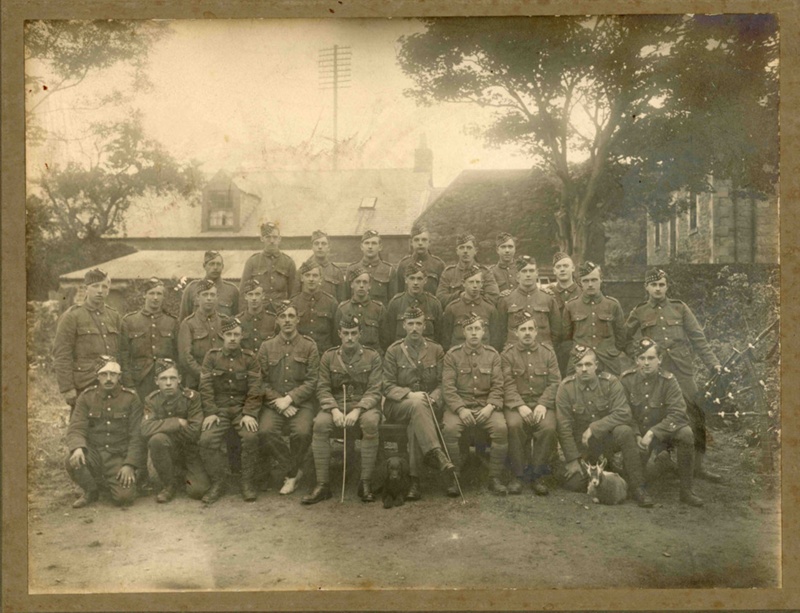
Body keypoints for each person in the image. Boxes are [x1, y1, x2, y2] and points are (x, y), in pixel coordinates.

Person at [624, 268, 724, 483]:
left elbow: (698, 337)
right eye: (654, 285)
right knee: (657, 413)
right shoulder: (639, 312)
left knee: (696, 414)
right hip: (658, 373)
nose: (658, 289)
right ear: (646, 287)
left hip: (681, 369)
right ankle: (664, 459)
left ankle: (697, 466)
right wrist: (640, 357)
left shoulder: (680, 308)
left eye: (661, 284)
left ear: (667, 286)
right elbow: (624, 338)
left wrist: (713, 363)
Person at [555, 345, 653, 507]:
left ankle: (638, 487)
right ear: (574, 368)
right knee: (574, 484)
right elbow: (563, 425)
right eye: (579, 365)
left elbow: (624, 413)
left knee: (625, 431)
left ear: (596, 365)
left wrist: (594, 427)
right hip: (584, 447)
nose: (584, 369)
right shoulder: (566, 388)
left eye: (588, 364)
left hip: (607, 441)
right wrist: (573, 459)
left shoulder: (610, 382)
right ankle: (608, 472)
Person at [302, 316, 383, 504]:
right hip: (336, 405)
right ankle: (323, 485)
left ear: (360, 334)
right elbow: (322, 388)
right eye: (346, 333)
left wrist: (357, 410)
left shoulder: (372, 356)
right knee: (320, 424)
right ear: (339, 334)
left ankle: (366, 482)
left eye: (354, 333)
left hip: (363, 405)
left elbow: (374, 389)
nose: (350, 338)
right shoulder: (329, 356)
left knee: (371, 423)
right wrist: (334, 410)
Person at [620, 338, 704, 506]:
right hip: (638, 434)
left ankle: (686, 491)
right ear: (636, 360)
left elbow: (678, 413)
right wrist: (636, 434)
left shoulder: (669, 380)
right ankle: (640, 489)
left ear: (660, 359)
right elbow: (623, 412)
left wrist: (653, 433)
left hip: (663, 433)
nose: (646, 363)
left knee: (686, 433)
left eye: (651, 358)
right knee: (636, 476)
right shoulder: (626, 380)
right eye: (642, 358)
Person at [383, 307, 455, 500]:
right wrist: (410, 395)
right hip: (398, 405)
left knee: (417, 419)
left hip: (427, 404)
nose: (414, 328)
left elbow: (442, 382)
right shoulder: (394, 350)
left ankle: (415, 480)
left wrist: (433, 398)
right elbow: (387, 386)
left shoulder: (436, 349)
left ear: (425, 326)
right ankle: (436, 454)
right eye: (410, 324)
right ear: (404, 326)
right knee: (417, 405)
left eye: (418, 324)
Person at [256, 301, 320, 496]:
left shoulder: (309, 346)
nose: (287, 320)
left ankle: (290, 475)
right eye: (283, 317)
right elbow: (260, 381)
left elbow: (313, 380)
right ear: (277, 320)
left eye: (291, 316)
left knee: (301, 432)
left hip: (302, 403)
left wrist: (291, 398)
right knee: (265, 431)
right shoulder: (266, 347)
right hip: (274, 404)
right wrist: (280, 403)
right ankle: (293, 471)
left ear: (298, 319)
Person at [441, 312, 508, 496]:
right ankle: (454, 477)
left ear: (483, 331)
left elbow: (498, 385)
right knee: (450, 430)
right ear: (463, 332)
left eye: (477, 328)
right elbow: (448, 388)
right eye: (469, 329)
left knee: (501, 428)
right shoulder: (452, 355)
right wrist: (461, 410)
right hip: (459, 407)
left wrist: (490, 407)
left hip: (486, 406)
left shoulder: (493, 355)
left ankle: (494, 477)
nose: (473, 333)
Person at [197, 317, 263, 503]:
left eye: (236, 334)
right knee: (206, 439)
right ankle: (219, 481)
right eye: (229, 334)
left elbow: (255, 388)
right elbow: (206, 387)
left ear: (242, 336)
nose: (232, 338)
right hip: (219, 410)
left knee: (251, 436)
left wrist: (249, 413)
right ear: (221, 336)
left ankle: (246, 482)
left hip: (242, 410)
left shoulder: (250, 358)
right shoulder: (211, 357)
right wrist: (210, 412)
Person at [64, 357, 144, 508]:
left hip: (118, 455)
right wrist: (77, 447)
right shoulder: (86, 396)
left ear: (119, 376)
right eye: (104, 374)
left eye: (113, 374)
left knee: (124, 498)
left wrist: (130, 464)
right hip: (94, 453)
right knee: (72, 460)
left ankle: (108, 483)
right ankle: (90, 491)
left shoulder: (131, 398)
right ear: (97, 376)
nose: (108, 379)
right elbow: (76, 427)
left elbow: (137, 435)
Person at [502, 311, 561, 495]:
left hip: (541, 403)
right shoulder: (508, 355)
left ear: (536, 332)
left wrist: (543, 403)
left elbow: (555, 382)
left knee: (548, 427)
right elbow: (507, 384)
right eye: (522, 329)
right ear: (516, 333)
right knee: (514, 425)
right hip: (517, 404)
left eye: (530, 329)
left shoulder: (548, 353)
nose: (527, 333)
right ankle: (518, 475)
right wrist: (520, 405)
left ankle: (537, 474)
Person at [53, 268, 122, 414]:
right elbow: (62, 354)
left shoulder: (114, 316)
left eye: (104, 287)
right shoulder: (72, 316)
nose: (100, 291)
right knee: (81, 428)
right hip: (84, 383)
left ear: (109, 290)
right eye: (95, 286)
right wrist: (67, 388)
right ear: (86, 289)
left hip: (110, 382)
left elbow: (120, 351)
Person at [140, 358, 207, 503]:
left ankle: (181, 473)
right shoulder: (152, 400)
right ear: (156, 381)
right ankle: (168, 485)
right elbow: (145, 428)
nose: (168, 383)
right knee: (157, 440)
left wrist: (163, 427)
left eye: (172, 378)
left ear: (180, 379)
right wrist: (176, 422)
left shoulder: (192, 398)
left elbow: (195, 430)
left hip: (189, 450)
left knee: (198, 491)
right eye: (163, 379)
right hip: (167, 450)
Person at [562, 261, 627, 376]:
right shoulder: (571, 306)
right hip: (579, 360)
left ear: (601, 280)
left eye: (594, 280)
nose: (590, 284)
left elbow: (621, 336)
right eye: (586, 281)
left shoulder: (612, 305)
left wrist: (611, 352)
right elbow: (566, 338)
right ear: (580, 282)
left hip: (607, 362)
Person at [120, 277, 178, 402]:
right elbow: (124, 355)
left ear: (163, 297)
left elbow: (177, 354)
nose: (155, 297)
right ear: (144, 296)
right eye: (151, 293)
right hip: (140, 380)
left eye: (159, 294)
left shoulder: (172, 322)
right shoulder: (130, 321)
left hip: (165, 379)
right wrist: (128, 383)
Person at [498, 256, 561, 350]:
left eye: (531, 271)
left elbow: (557, 331)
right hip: (515, 355)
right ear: (517, 274)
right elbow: (500, 332)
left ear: (537, 273)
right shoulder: (506, 299)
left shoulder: (548, 298)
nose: (528, 274)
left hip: (542, 354)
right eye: (524, 271)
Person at [440, 264, 502, 351]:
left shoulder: (490, 308)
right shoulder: (452, 308)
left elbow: (495, 340)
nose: (475, 286)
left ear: (482, 284)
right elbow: (446, 339)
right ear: (463, 283)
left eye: (478, 282)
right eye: (471, 282)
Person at [383, 260, 443, 347]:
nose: (415, 283)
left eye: (419, 279)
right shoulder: (395, 303)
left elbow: (439, 336)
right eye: (412, 278)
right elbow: (390, 335)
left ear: (425, 280)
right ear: (406, 280)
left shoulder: (434, 304)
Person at [177, 279, 224, 390]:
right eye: (205, 294)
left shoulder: (224, 321)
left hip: (223, 382)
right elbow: (185, 358)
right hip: (196, 383)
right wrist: (204, 376)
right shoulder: (188, 323)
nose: (209, 298)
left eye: (212, 295)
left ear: (217, 297)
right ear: (197, 298)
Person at [239, 221, 297, 305]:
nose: (272, 241)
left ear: (279, 239)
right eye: (268, 237)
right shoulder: (252, 262)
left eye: (275, 237)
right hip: (259, 311)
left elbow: (293, 293)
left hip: (280, 312)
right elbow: (243, 293)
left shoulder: (289, 262)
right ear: (262, 238)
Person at [436, 233, 500, 307]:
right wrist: (460, 295)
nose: (465, 251)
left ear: (475, 251)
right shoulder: (448, 273)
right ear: (457, 251)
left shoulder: (485, 272)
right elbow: (440, 298)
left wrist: (474, 299)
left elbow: (493, 297)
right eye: (462, 248)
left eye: (469, 248)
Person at [334, 268, 387, 353]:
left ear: (369, 285)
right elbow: (337, 339)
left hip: (373, 359)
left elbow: (385, 341)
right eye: (358, 282)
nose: (361, 285)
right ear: (352, 284)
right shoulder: (343, 309)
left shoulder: (379, 309)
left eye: (365, 282)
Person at [291, 260, 338, 354]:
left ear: (321, 279)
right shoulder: (294, 303)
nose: (311, 279)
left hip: (324, 355)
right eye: (307, 275)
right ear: (301, 278)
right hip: (300, 354)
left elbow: (336, 335)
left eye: (315, 275)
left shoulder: (331, 303)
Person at [178, 251, 239, 322]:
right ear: (204, 266)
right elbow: (183, 320)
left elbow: (237, 320)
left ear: (223, 266)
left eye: (218, 264)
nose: (215, 267)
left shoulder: (232, 290)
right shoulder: (192, 289)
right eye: (211, 264)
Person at [344, 230, 397, 306]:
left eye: (374, 243)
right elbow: (346, 299)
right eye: (367, 243)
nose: (370, 247)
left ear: (380, 247)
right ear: (361, 247)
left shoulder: (389, 270)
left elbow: (392, 302)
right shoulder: (351, 269)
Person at [292, 230, 346, 301]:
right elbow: (294, 299)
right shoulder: (302, 270)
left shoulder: (336, 272)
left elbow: (342, 301)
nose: (320, 247)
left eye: (323, 243)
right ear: (312, 247)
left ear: (328, 248)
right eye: (316, 243)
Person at [551, 252, 582, 376]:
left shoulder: (583, 292)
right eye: (558, 267)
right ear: (554, 271)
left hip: (577, 347)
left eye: (565, 266)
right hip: (554, 348)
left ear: (573, 268)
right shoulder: (548, 294)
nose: (562, 269)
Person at [396, 224, 446, 297]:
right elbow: (398, 293)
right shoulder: (403, 264)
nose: (420, 243)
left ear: (429, 243)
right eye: (416, 240)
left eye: (424, 240)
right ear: (411, 243)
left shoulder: (438, 265)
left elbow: (441, 294)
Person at [235, 279, 278, 352]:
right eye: (250, 294)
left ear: (263, 296)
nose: (254, 298)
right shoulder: (238, 321)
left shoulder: (273, 320)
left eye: (257, 294)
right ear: (245, 296)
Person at [489, 232, 519, 297]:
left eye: (510, 247)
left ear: (515, 249)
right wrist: (500, 295)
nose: (507, 250)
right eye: (503, 247)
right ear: (497, 250)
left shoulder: (522, 269)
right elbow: (489, 296)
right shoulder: (491, 272)